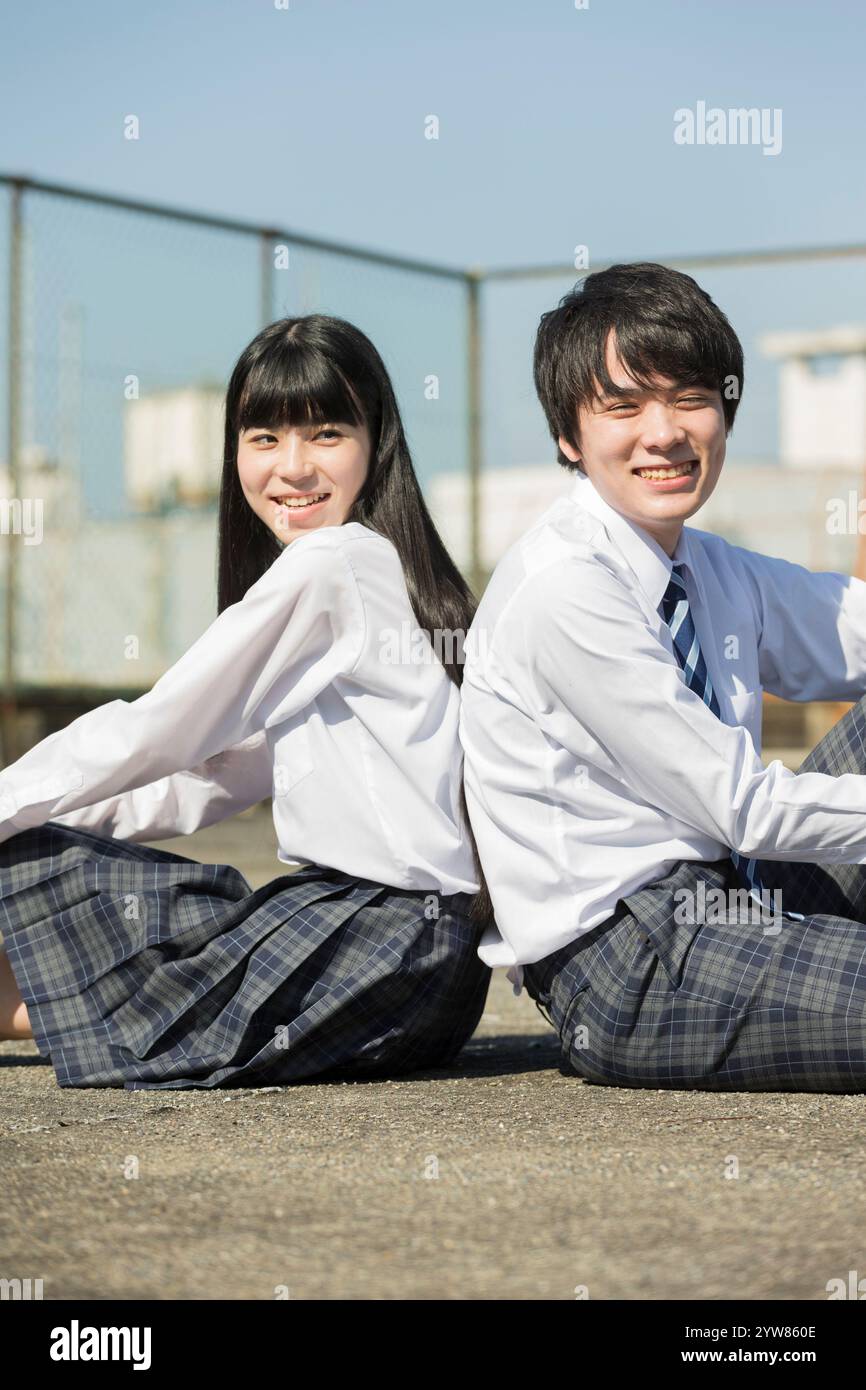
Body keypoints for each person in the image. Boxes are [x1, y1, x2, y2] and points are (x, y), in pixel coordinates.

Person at [0, 314, 491, 1089]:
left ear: (377, 442)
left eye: (325, 433)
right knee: (55, 864)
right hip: (428, 973)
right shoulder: (382, 573)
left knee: (31, 866)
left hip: (376, 940)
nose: (291, 467)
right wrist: (43, 821)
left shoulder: (334, 563)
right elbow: (206, 777)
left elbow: (158, 732)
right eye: (263, 439)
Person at [459, 260, 866, 1092]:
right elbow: (740, 805)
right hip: (632, 960)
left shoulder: (708, 566)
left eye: (690, 399)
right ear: (570, 436)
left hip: (740, 892)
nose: (665, 432)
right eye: (624, 406)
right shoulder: (566, 586)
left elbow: (850, 628)